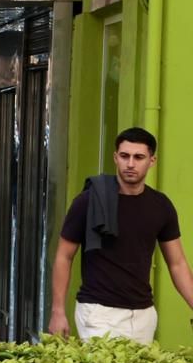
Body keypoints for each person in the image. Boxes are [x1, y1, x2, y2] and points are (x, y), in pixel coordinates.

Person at [50, 128, 193, 342]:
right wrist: (58, 311)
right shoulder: (88, 201)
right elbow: (64, 256)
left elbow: (177, 263)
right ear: (115, 158)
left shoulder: (161, 206)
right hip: (98, 312)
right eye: (125, 156)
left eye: (139, 157)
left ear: (152, 160)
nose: (131, 164)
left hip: (143, 314)